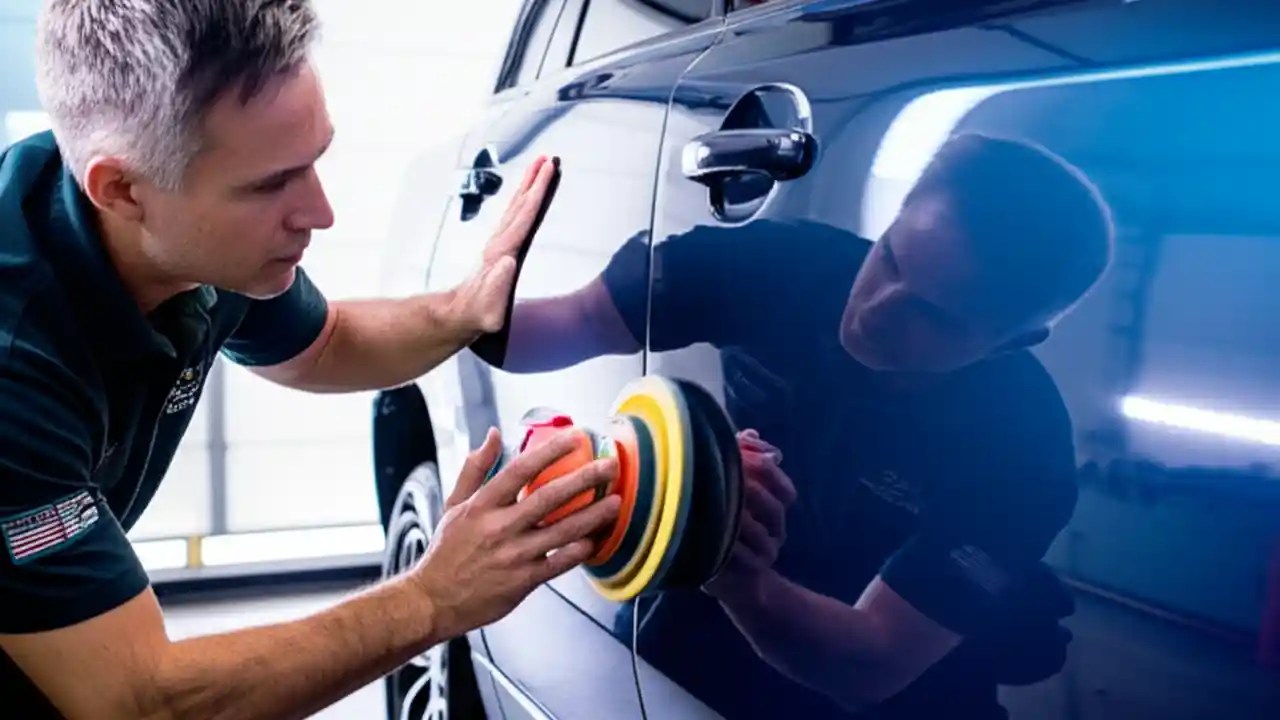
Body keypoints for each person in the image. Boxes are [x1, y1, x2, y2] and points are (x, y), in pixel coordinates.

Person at [0, 2, 619, 719]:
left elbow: (324, 344)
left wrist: (462, 309)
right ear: (121, 189)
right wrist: (431, 597)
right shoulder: (14, 371)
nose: (320, 214)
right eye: (270, 185)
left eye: (314, 162)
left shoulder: (180, 233)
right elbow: (138, 701)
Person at [498, 132, 1114, 717]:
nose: (875, 311)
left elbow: (871, 664)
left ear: (1014, 341)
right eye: (891, 259)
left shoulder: (1024, 453)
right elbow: (575, 319)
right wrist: (445, 322)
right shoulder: (781, 265)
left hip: (892, 675)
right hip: (710, 623)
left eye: (932, 314)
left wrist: (733, 570)